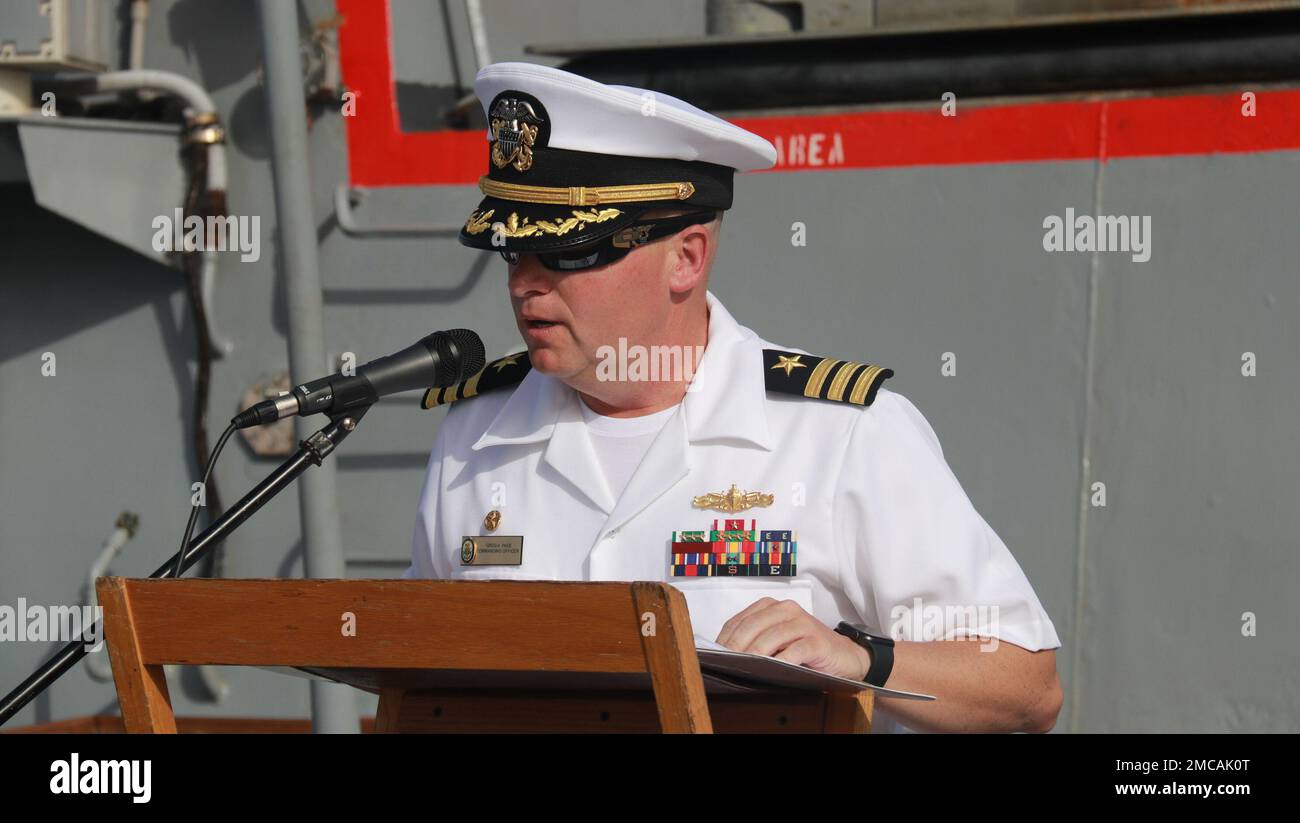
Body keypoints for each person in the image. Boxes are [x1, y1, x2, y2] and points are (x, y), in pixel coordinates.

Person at [404, 62, 1062, 733]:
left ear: (685, 257)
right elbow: (416, 677)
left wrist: (860, 657)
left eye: (569, 250)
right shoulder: (475, 435)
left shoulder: (839, 434)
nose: (526, 283)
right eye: (513, 249)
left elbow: (1027, 683)